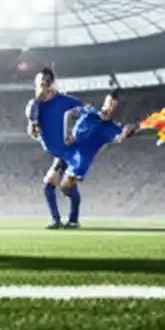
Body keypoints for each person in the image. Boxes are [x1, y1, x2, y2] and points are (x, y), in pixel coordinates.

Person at [55, 90, 139, 228]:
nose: (110, 107)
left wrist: (126, 133)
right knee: (53, 181)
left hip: (81, 160)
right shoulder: (89, 111)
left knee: (65, 187)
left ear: (116, 109)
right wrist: (67, 133)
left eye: (113, 105)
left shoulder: (112, 128)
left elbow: (119, 138)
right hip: (69, 150)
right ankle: (66, 219)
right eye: (108, 103)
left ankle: (73, 220)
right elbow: (69, 114)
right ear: (104, 103)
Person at [25, 67, 85, 228]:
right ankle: (69, 220)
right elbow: (32, 130)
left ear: (52, 84)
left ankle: (61, 220)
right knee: (65, 187)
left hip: (69, 151)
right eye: (40, 83)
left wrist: (78, 130)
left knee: (49, 184)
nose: (43, 86)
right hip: (57, 152)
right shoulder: (35, 105)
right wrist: (34, 123)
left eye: (46, 82)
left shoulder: (65, 101)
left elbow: (86, 112)